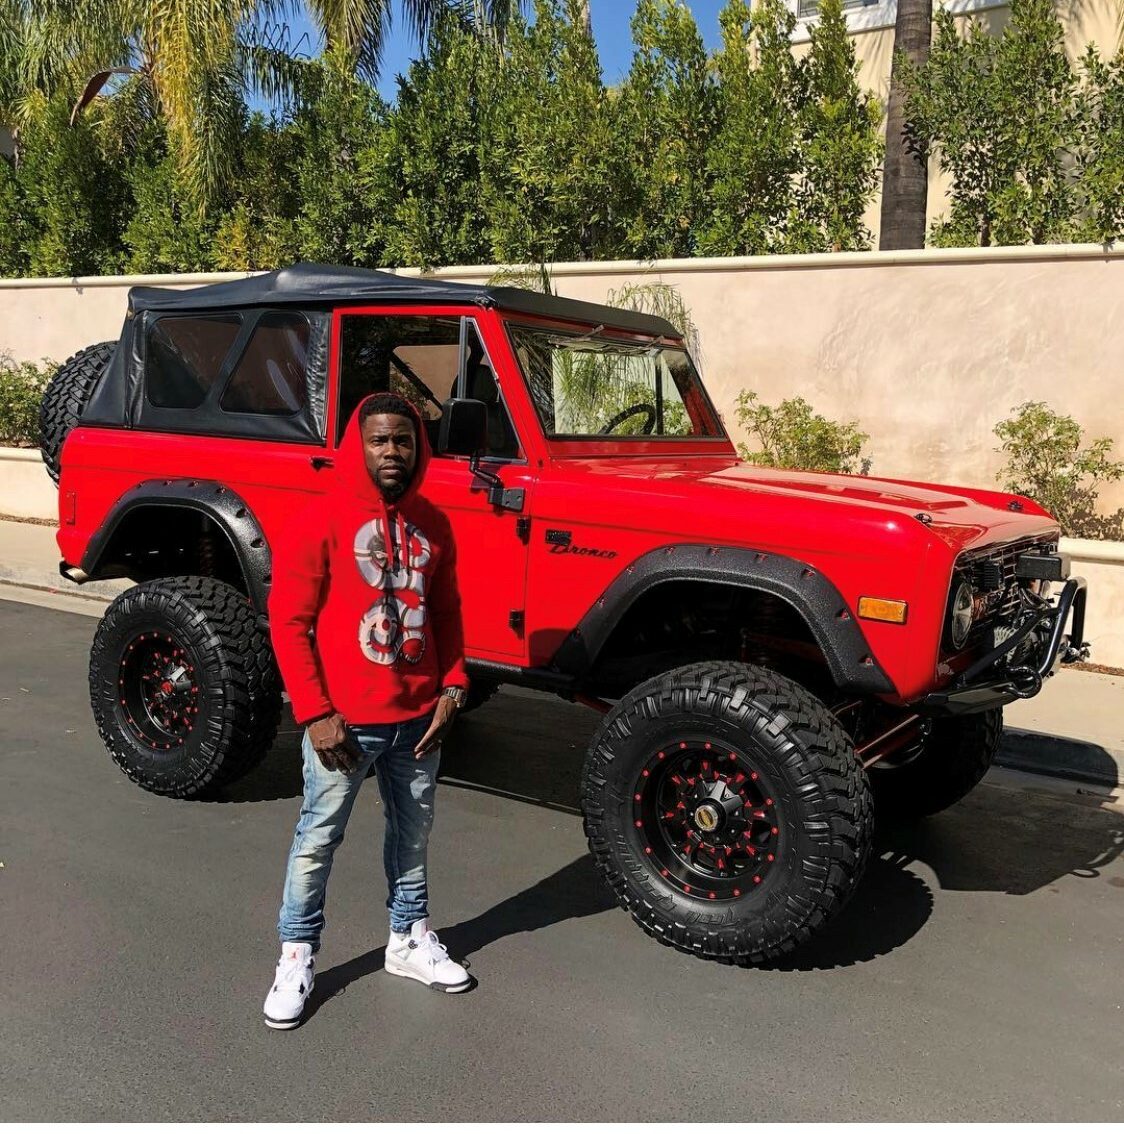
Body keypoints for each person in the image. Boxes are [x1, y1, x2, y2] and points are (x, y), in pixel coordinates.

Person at [262, 391, 472, 1030]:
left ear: (418, 448)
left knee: (413, 835)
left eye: (403, 441)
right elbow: (288, 621)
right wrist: (315, 713)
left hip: (418, 720)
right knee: (317, 838)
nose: (392, 452)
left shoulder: (433, 522)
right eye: (380, 440)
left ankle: (407, 939)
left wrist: (454, 687)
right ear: (360, 444)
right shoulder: (322, 516)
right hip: (343, 724)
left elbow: (446, 612)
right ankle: (296, 955)